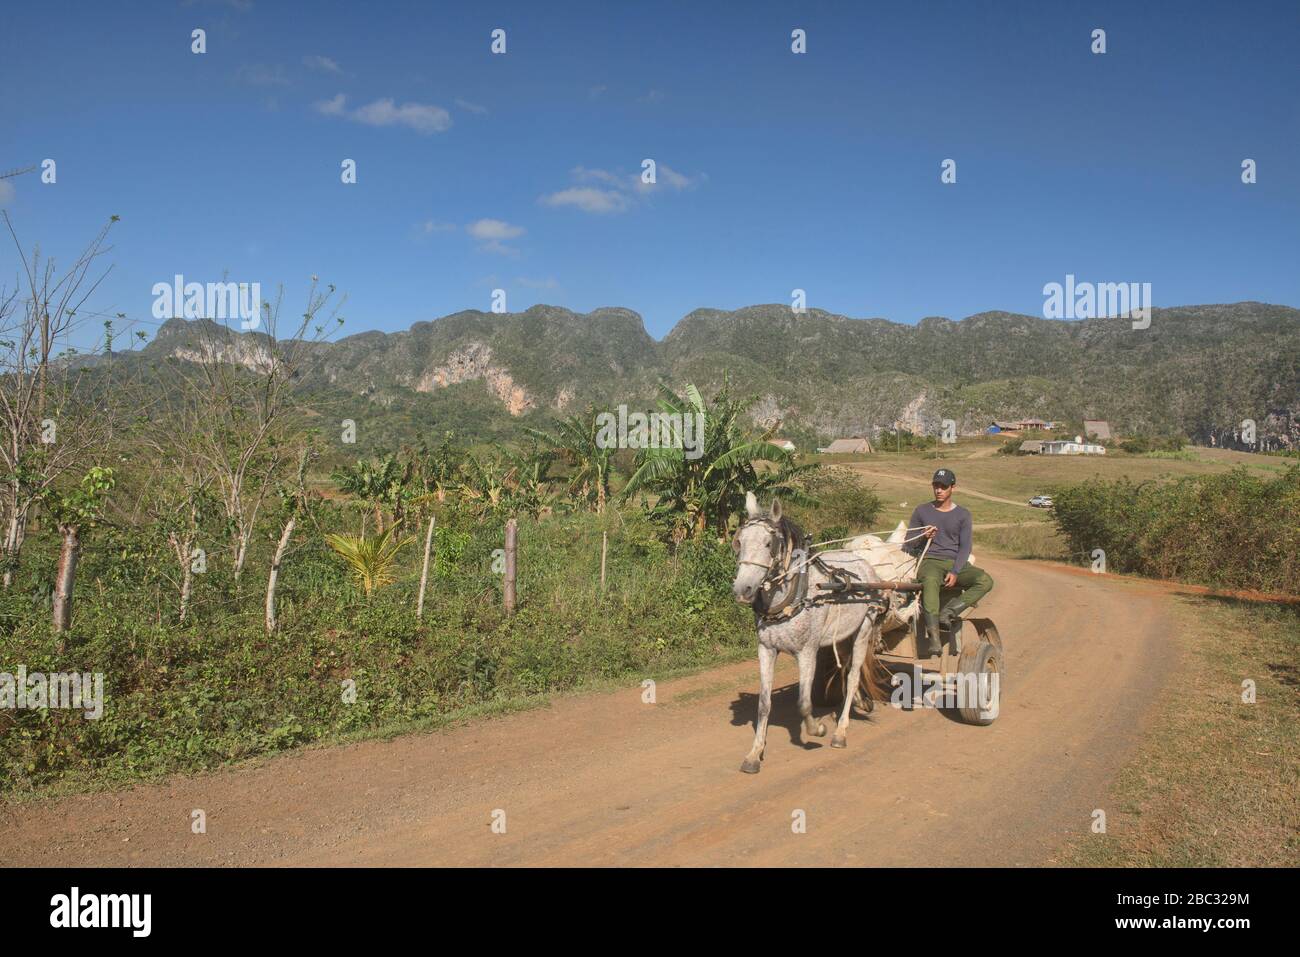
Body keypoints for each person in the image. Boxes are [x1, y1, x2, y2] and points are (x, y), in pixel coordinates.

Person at [905, 468, 994, 656]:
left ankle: (950, 612)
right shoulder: (922, 511)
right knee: (930, 582)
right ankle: (934, 637)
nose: (939, 490)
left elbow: (965, 548)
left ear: (952, 488)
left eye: (943, 486)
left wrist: (955, 570)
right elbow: (908, 542)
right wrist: (923, 536)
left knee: (985, 581)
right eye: (936, 486)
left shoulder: (963, 514)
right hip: (930, 560)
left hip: (954, 561)